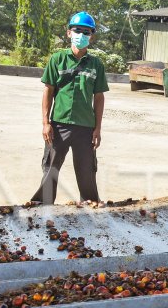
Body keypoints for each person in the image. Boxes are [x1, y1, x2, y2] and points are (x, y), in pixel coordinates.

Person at [30, 12, 109, 203]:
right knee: (51, 169)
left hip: (85, 127)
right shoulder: (57, 59)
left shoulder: (96, 64)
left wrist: (97, 128)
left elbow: (99, 98)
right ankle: (43, 206)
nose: (81, 35)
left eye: (86, 32)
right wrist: (45, 123)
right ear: (68, 33)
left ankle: (90, 206)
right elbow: (48, 92)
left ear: (92, 36)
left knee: (87, 171)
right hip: (59, 125)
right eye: (77, 30)